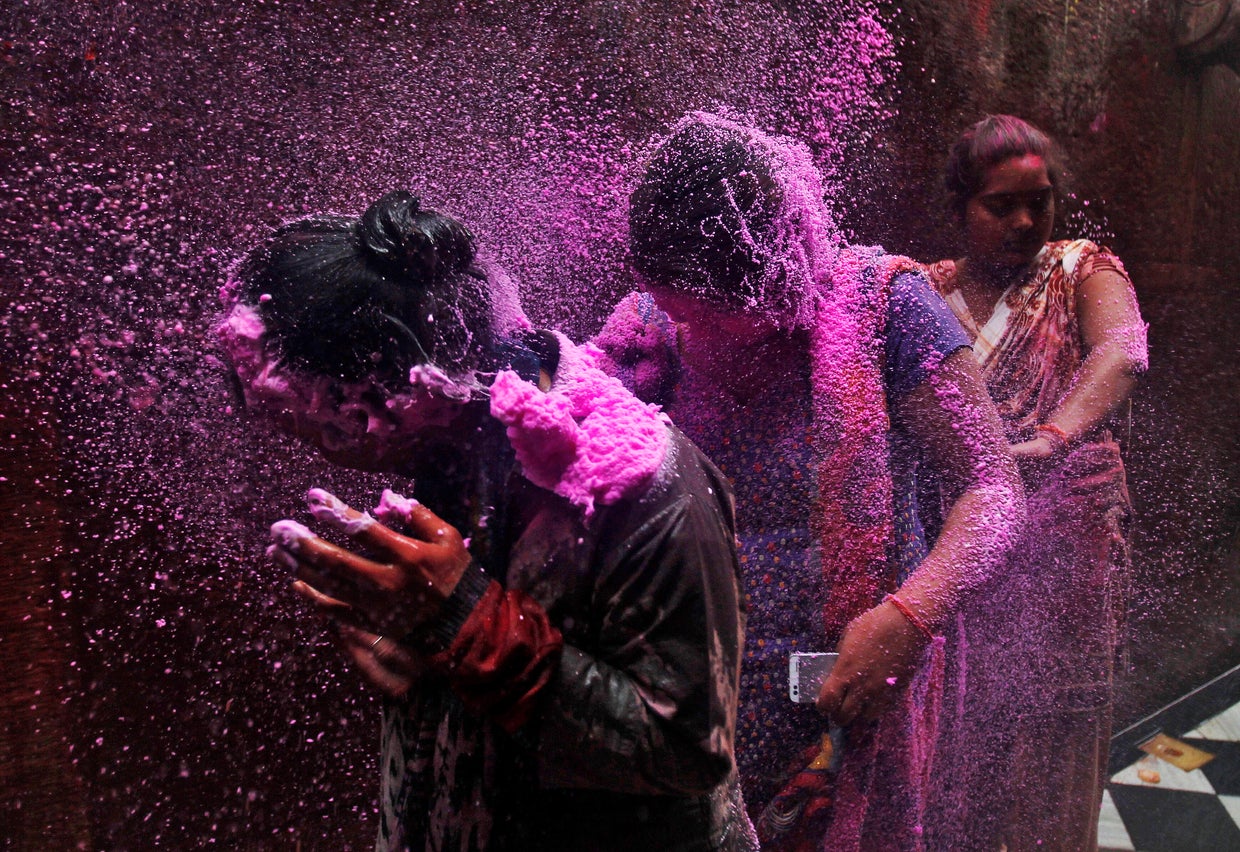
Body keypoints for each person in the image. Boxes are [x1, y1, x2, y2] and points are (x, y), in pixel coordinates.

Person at [217, 190, 759, 851]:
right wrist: (424, 660)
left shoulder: (649, 484)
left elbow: (687, 750)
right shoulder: (457, 447)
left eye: (300, 420)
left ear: (376, 390)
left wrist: (469, 624)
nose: (304, 442)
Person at [617, 112, 1025, 852]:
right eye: (682, 316)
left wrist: (910, 616)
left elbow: (993, 489)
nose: (696, 341)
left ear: (778, 278)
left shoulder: (886, 311)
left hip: (854, 706)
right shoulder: (644, 331)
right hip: (688, 710)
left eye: (718, 319)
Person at [920, 114, 1148, 851]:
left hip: (1066, 561)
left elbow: (1122, 350)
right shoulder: (923, 292)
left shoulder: (1081, 268)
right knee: (958, 740)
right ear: (960, 209)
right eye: (1000, 205)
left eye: (1039, 201)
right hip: (964, 557)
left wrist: (1054, 435)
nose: (1025, 220)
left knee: (1056, 747)